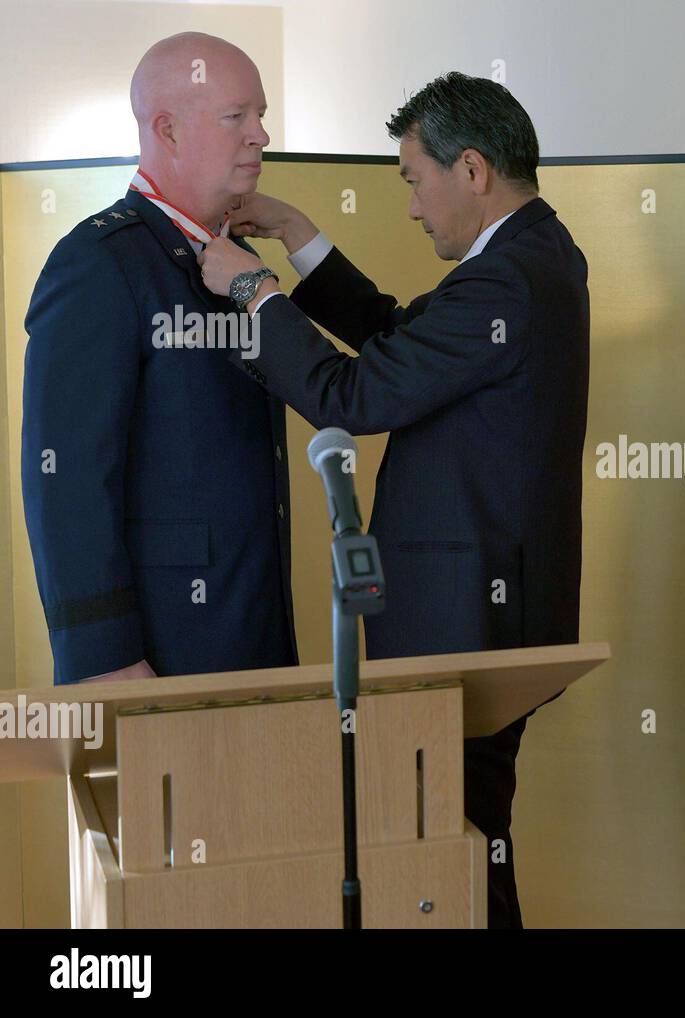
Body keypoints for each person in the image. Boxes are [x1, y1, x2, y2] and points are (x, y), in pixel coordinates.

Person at [198, 72, 590, 929]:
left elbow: (353, 397)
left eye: (415, 179)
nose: (412, 207)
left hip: (465, 627)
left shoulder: (506, 282)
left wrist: (250, 292)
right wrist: (300, 238)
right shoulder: (536, 257)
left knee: (457, 843)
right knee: (467, 837)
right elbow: (402, 339)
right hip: (487, 617)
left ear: (473, 170)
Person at [21, 32, 297, 685]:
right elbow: (65, 476)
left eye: (261, 114)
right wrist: (101, 656)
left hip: (250, 633)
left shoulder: (242, 263)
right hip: (158, 652)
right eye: (238, 117)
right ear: (166, 129)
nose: (260, 134)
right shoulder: (98, 263)